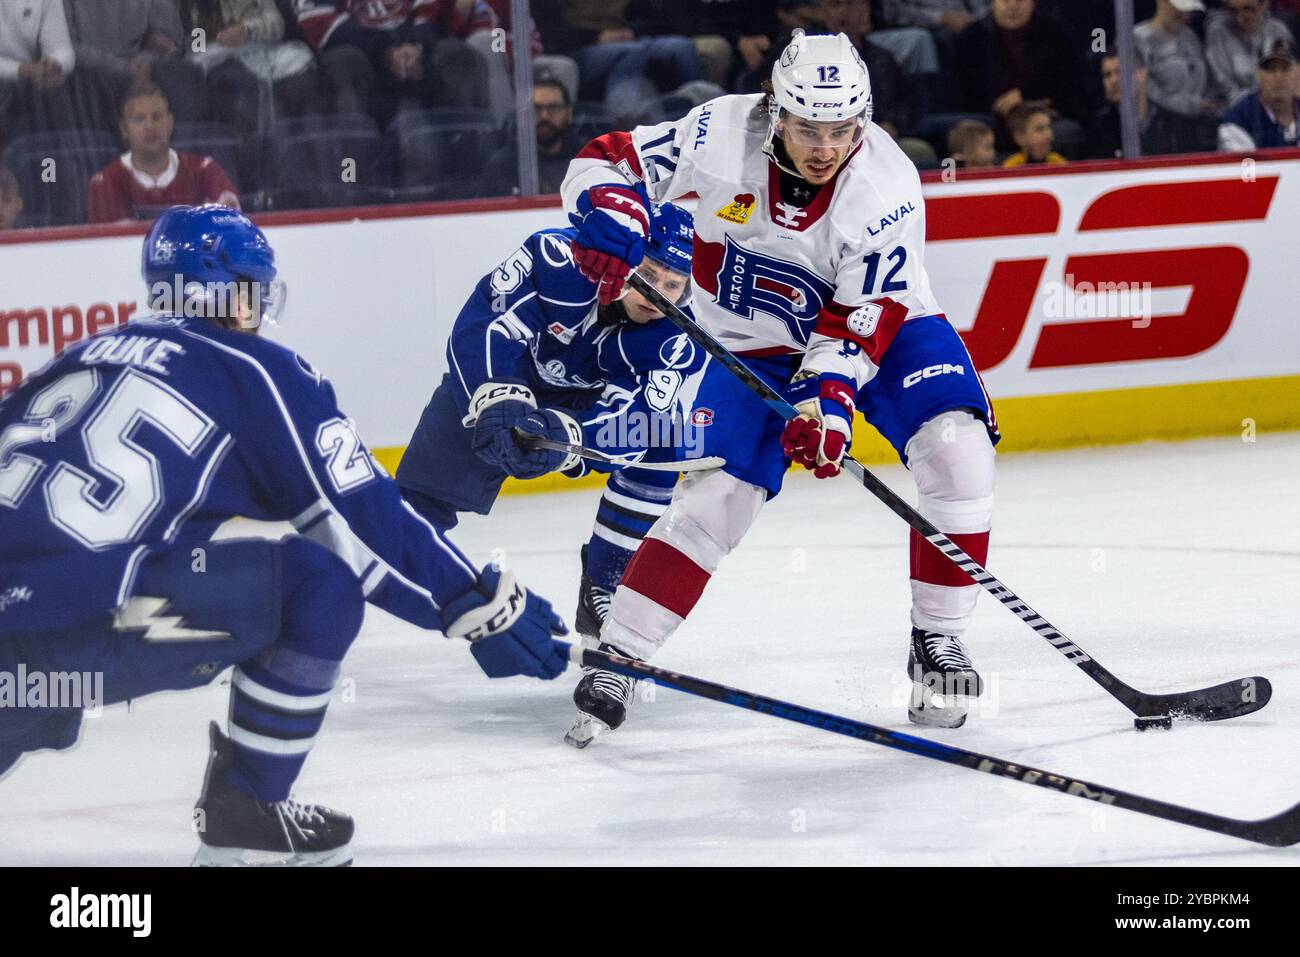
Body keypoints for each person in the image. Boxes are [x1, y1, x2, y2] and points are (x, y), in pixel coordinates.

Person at [0, 205, 569, 866]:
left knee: (36, 700)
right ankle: (247, 802)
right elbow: (359, 520)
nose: (261, 305)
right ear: (232, 290)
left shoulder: (79, 358)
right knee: (314, 583)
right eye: (256, 288)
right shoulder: (259, 369)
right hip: (76, 618)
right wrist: (474, 603)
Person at [559, 30, 1001, 744]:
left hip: (883, 332)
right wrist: (608, 209)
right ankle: (622, 654)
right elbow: (607, 159)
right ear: (776, 112)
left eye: (841, 129)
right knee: (718, 498)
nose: (826, 146)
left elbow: (857, 323)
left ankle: (938, 640)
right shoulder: (716, 132)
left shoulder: (887, 187)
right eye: (808, 128)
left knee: (958, 451)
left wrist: (827, 402)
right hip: (749, 346)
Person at [394, 202, 706, 664]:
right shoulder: (559, 258)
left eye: (672, 284)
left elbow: (641, 418)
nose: (655, 293)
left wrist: (569, 435)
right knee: (409, 514)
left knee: (666, 441)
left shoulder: (679, 337)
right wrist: (494, 399)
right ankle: (341, 572)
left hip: (580, 412)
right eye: (648, 272)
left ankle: (605, 585)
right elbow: (486, 325)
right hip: (503, 384)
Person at [87, 83, 241, 224]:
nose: (149, 126)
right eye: (139, 119)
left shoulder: (205, 170)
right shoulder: (105, 181)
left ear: (170, 123)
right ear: (124, 129)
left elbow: (232, 224)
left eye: (157, 117)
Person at [1135, 0, 1224, 151]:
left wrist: (1211, 102)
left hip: (1198, 129)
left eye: (1190, 11)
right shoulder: (1138, 39)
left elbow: (1207, 75)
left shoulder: (1189, 35)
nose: (1186, 15)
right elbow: (1145, 88)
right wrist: (1188, 106)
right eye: (1180, 9)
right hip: (1161, 132)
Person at [1084, 51, 1202, 158]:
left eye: (1119, 72)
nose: (1113, 80)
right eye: (1107, 75)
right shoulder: (1098, 133)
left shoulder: (1177, 126)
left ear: (1142, 73)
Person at [484, 77, 583, 196]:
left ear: (568, 113)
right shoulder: (504, 166)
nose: (545, 116)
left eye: (554, 108)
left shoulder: (586, 160)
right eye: (536, 108)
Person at [0, 0, 78, 147]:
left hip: (26, 92)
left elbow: (62, 49)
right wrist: (23, 70)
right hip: (18, 82)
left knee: (59, 93)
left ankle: (48, 165)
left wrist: (53, 66)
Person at [1205, 0, 1296, 107]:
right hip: (1234, 108)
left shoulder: (1278, 30)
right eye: (1232, 10)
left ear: (1264, 5)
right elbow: (1222, 85)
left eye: (1248, 9)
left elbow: (1289, 75)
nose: (1239, 18)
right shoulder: (1218, 33)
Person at [1219, 38, 1300, 148]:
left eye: (1285, 68)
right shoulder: (1238, 119)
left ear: (1297, 73)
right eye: (1270, 69)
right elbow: (1244, 164)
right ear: (1258, 75)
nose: (1278, 77)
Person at [1002, 100, 1066, 165]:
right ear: (1020, 137)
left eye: (1049, 127)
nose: (1049, 134)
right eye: (1040, 129)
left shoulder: (1058, 162)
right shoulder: (1012, 166)